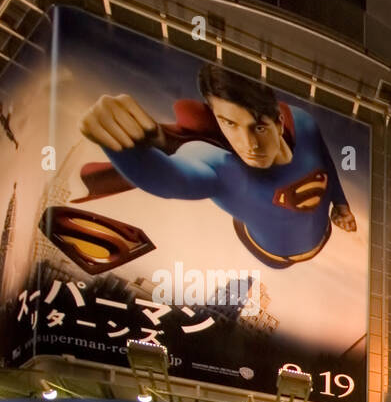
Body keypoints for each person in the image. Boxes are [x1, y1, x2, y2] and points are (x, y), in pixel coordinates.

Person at [77, 63, 355, 271]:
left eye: (258, 127)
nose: (249, 145)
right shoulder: (222, 168)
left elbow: (326, 163)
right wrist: (119, 145)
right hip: (272, 255)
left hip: (322, 235)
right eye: (229, 124)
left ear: (280, 121)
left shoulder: (303, 124)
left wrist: (341, 205)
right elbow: (169, 180)